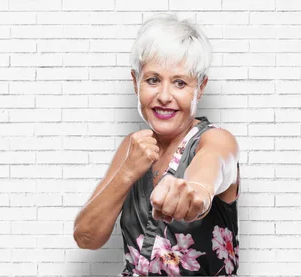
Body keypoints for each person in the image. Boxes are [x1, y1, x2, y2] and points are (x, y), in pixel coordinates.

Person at [73, 13, 241, 276]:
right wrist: (127, 172)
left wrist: (196, 190)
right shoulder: (134, 147)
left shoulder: (215, 139)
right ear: (135, 82)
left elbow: (212, 167)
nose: (164, 96)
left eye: (180, 83)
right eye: (152, 80)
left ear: (200, 88)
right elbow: (86, 237)